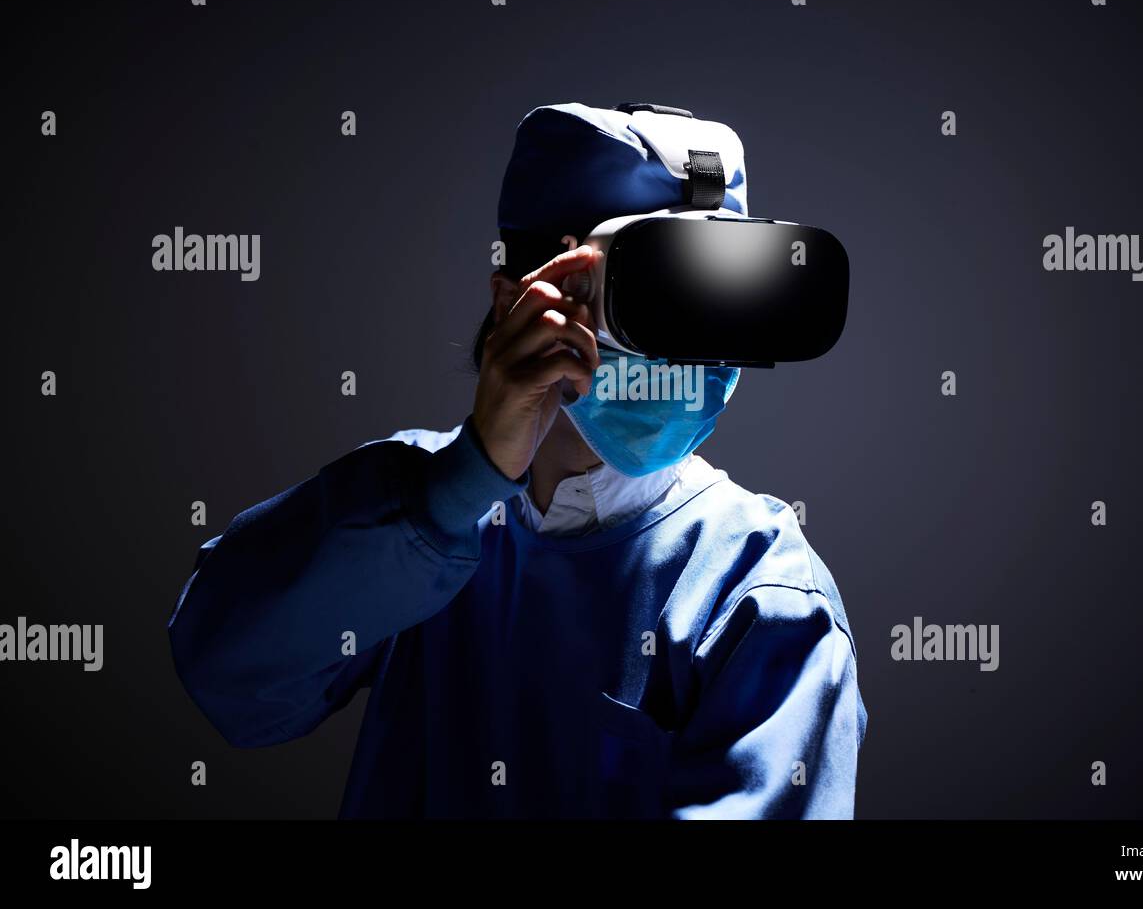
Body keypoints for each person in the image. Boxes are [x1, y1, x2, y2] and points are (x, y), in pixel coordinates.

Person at [167, 101, 867, 818]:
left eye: (720, 296)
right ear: (519, 300)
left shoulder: (763, 595)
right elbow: (230, 680)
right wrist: (461, 483)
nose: (686, 349)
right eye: (658, 293)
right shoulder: (410, 506)